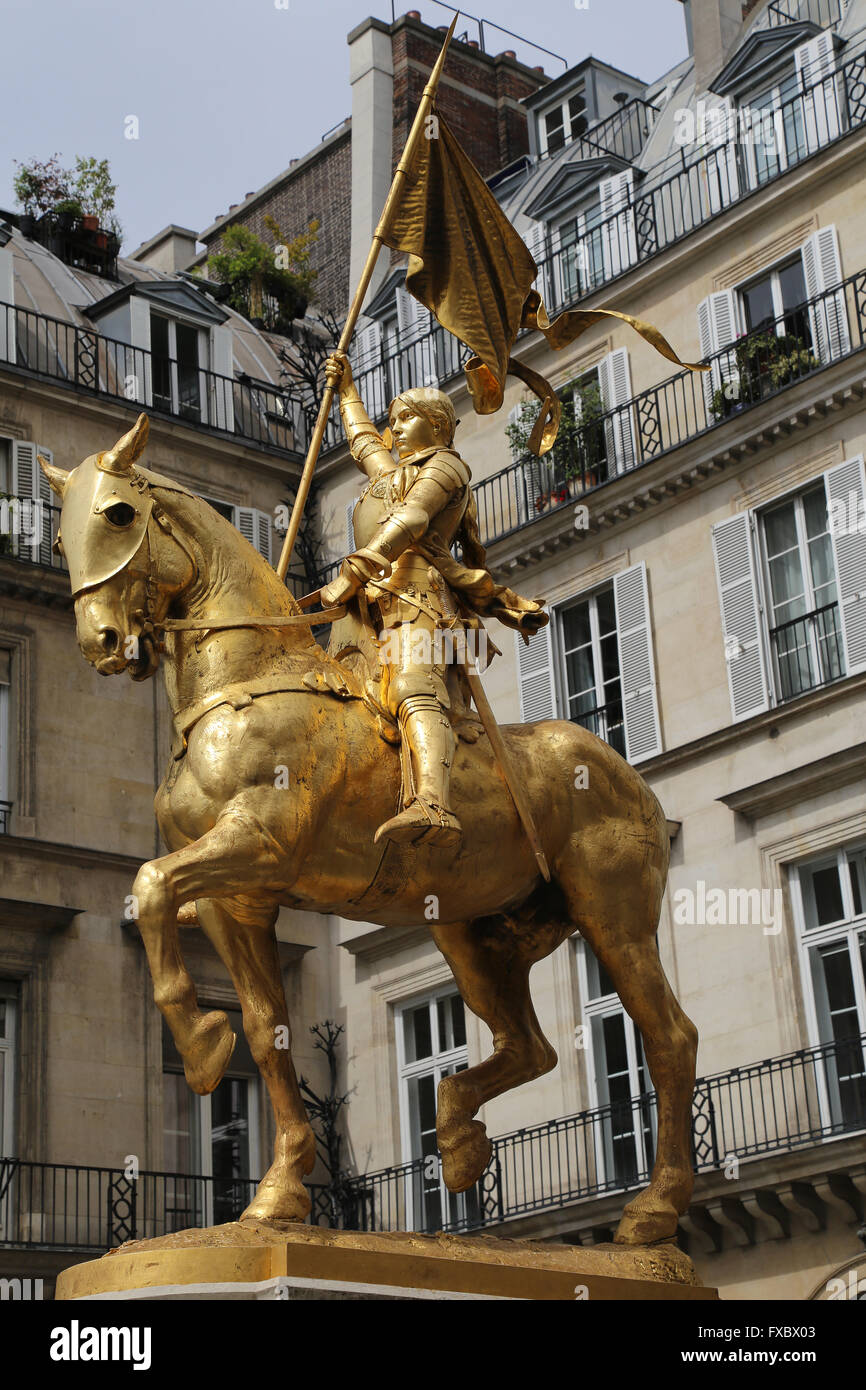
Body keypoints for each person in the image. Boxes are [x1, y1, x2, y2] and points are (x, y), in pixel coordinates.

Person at [321, 349, 547, 849]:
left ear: (437, 426)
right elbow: (361, 441)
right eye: (393, 421)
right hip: (368, 610)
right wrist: (346, 390)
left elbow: (413, 520)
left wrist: (356, 569)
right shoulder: (388, 472)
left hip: (421, 600)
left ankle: (434, 803)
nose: (394, 430)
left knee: (411, 686)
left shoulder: (447, 466)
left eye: (406, 419)